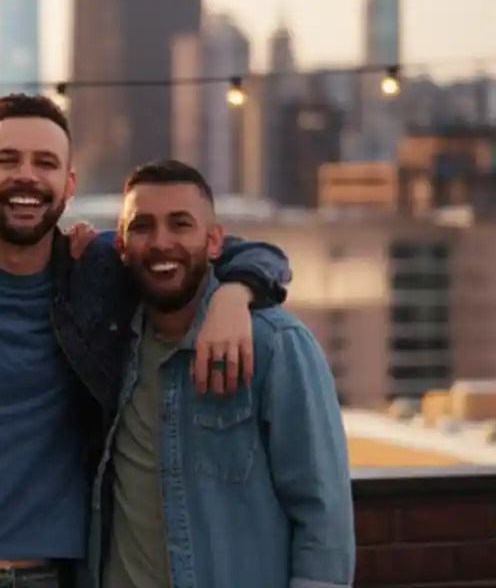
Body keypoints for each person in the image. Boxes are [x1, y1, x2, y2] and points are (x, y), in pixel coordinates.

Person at [0, 95, 293, 588]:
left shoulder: (98, 271)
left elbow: (251, 251)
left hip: (37, 578)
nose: (26, 176)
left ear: (68, 186)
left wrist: (234, 294)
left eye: (45, 163)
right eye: (7, 160)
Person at [95, 159, 354, 588]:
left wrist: (236, 292)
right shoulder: (107, 339)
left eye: (181, 225)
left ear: (215, 241)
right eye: (142, 227)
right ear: (121, 245)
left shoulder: (276, 344)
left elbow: (323, 515)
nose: (161, 242)